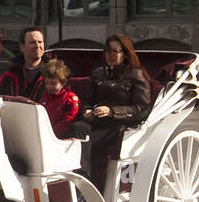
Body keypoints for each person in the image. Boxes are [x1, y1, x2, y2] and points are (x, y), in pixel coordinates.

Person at [78, 33, 151, 190]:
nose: (110, 55)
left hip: (118, 126)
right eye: (108, 51)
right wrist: (87, 110)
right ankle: (79, 177)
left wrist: (111, 111)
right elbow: (86, 100)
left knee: (89, 139)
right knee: (78, 128)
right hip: (96, 121)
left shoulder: (136, 74)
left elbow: (142, 108)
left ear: (124, 54)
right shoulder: (98, 73)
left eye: (115, 51)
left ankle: (88, 186)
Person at [0, 27, 49, 102]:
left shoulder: (53, 72)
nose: (37, 46)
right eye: (32, 42)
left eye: (40, 42)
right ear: (22, 47)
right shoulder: (10, 72)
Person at [39, 57, 81, 139]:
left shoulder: (70, 98)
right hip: (44, 133)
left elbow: (70, 118)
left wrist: (53, 131)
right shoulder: (45, 96)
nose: (49, 86)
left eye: (53, 83)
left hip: (60, 136)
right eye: (47, 83)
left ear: (63, 82)